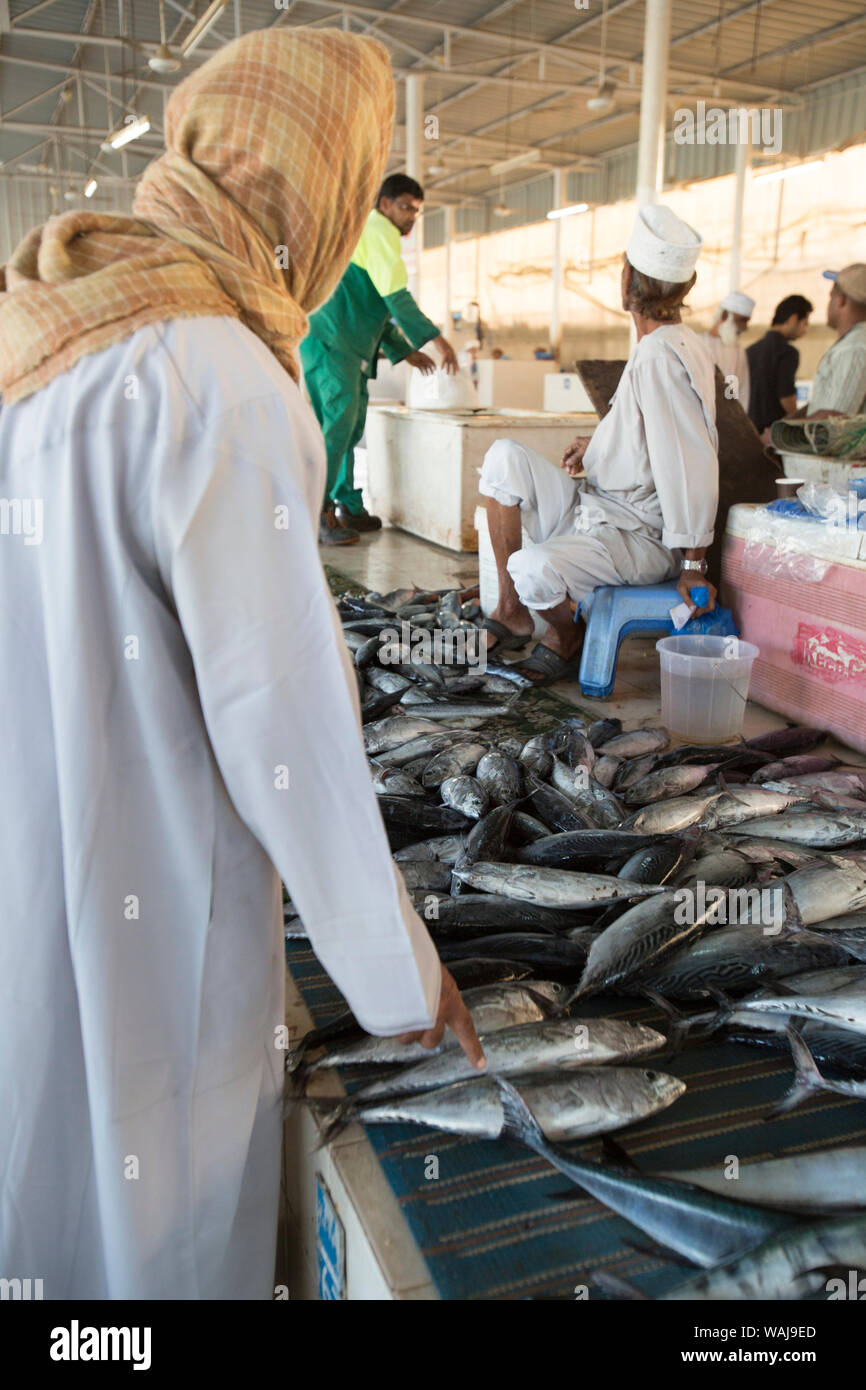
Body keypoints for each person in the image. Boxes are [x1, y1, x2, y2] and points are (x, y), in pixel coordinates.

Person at [0, 29, 482, 1302]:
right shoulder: (219, 381)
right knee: (149, 1215)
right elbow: (286, 739)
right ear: (311, 192)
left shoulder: (45, 328)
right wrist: (404, 984)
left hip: (26, 855)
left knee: (41, 1164)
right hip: (152, 886)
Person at [478, 203, 718, 685]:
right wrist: (601, 443)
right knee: (502, 458)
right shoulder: (670, 342)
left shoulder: (658, 356)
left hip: (638, 537)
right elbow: (652, 435)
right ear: (685, 290)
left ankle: (565, 637)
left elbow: (688, 461)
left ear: (626, 279)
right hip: (599, 507)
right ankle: (511, 613)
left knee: (533, 569)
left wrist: (692, 564)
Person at [301, 173, 458, 545]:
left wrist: (407, 352)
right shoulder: (377, 229)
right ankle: (316, 511)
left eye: (417, 211)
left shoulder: (371, 236)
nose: (411, 217)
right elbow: (397, 299)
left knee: (349, 428)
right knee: (336, 429)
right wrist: (438, 340)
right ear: (384, 204)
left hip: (342, 343)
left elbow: (376, 308)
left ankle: (348, 504)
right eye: (406, 207)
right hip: (333, 342)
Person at [801, 265, 866, 418]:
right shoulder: (853, 342)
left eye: (831, 296)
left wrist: (782, 434)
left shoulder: (854, 348)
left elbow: (834, 418)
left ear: (841, 300)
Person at [746, 293, 811, 439]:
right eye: (805, 323)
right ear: (794, 319)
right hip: (772, 433)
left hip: (749, 431)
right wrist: (797, 421)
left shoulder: (750, 350)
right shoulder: (787, 352)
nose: (806, 330)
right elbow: (786, 395)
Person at [701, 289, 754, 405]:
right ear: (725, 315)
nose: (744, 328)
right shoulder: (697, 343)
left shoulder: (739, 351)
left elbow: (742, 392)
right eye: (741, 321)